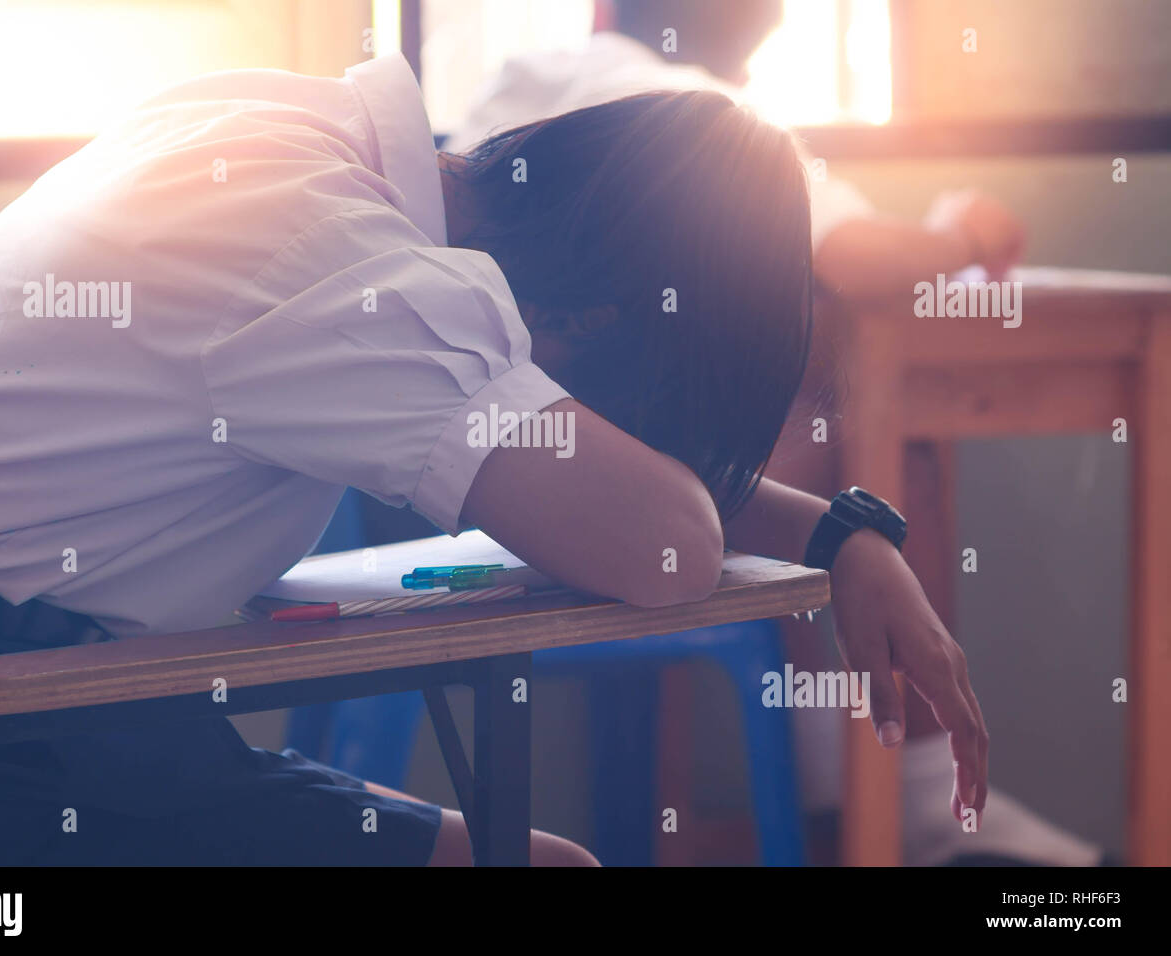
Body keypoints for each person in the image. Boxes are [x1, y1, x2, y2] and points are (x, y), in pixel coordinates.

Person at [0, 53, 986, 866]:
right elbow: (666, 540)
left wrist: (840, 535)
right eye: (628, 410)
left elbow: (635, 485)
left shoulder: (287, 130)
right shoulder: (367, 280)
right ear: (596, 320)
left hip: (0, 680)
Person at [448, 0, 1102, 867]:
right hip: (569, 494)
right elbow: (856, 256)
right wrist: (967, 228)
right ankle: (899, 796)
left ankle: (861, 791)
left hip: (461, 487)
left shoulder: (529, 92)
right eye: (771, 13)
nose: (786, 23)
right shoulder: (673, 107)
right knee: (861, 405)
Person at [445, 0, 1027, 303]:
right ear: (753, 45)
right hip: (588, 450)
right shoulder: (705, 113)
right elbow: (850, 255)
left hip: (431, 435)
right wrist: (962, 235)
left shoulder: (517, 79)